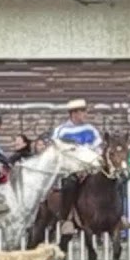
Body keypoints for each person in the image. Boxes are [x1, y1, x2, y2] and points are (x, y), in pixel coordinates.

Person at [51, 99, 103, 235]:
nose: (85, 114)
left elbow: (98, 150)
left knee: (114, 181)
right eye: (82, 112)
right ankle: (66, 219)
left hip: (91, 168)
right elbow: (57, 152)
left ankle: (116, 217)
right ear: (74, 113)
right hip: (70, 170)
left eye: (85, 111)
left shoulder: (91, 130)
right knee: (69, 184)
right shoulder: (61, 131)